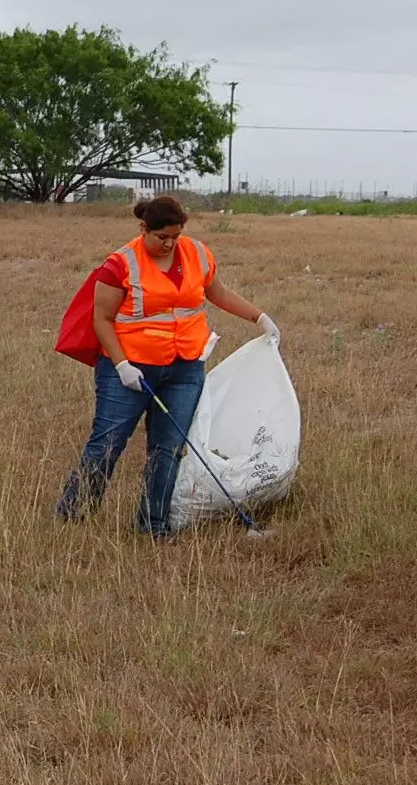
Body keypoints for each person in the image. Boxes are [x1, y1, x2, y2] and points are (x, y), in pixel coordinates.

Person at [56, 194, 281, 537]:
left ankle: (153, 525)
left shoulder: (198, 254)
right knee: (108, 443)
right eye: (162, 237)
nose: (170, 243)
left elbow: (217, 293)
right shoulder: (120, 264)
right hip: (129, 370)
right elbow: (101, 319)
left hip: (184, 368)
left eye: (175, 236)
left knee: (169, 448)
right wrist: (121, 365)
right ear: (143, 228)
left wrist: (259, 317)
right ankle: (73, 515)